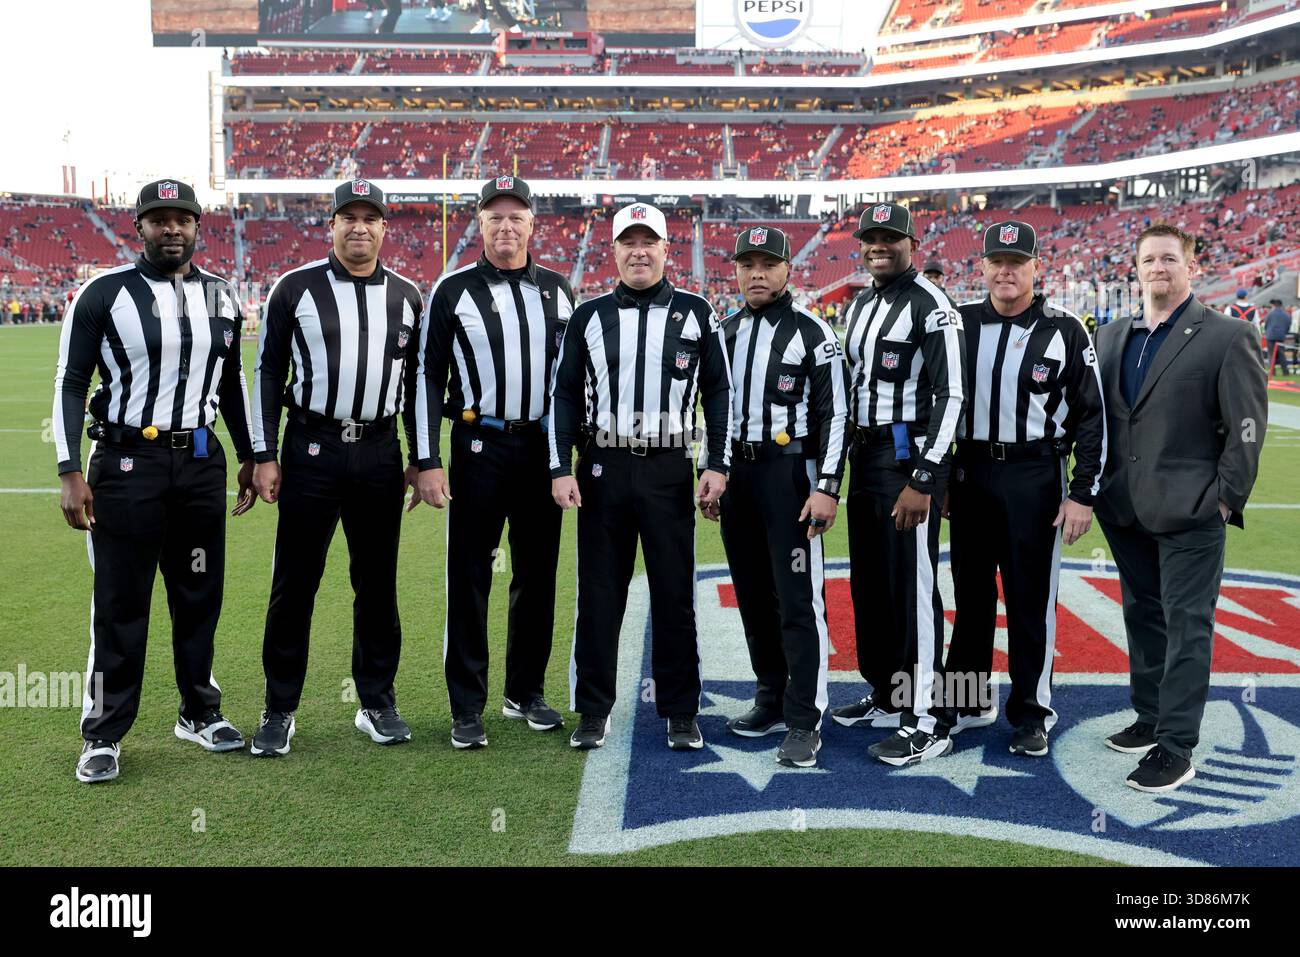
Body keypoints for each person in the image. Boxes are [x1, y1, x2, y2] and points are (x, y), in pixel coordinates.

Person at [54, 178, 257, 783]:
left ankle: (199, 711)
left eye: (183, 219)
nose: (172, 229)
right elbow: (70, 382)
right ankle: (105, 731)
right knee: (121, 601)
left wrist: (252, 454)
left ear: (198, 226)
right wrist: (69, 470)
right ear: (138, 227)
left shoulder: (223, 297)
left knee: (198, 594)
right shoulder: (104, 293)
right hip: (124, 466)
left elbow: (231, 385)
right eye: (159, 219)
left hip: (198, 465)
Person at [249, 179, 424, 756]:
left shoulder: (407, 295)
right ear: (330, 225)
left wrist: (423, 458)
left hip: (378, 451)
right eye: (347, 216)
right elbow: (269, 373)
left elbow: (419, 384)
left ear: (384, 228)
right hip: (312, 448)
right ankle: (280, 707)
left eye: (369, 218)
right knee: (295, 583)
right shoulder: (295, 287)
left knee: (376, 584)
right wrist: (264, 453)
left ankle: (377, 701)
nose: (359, 227)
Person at [548, 202, 732, 752]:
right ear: (613, 252)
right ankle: (594, 708)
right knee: (600, 594)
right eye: (627, 242)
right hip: (604, 464)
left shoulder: (698, 312)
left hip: (669, 466)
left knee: (674, 593)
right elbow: (562, 395)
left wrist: (716, 462)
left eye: (647, 241)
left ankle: (680, 711)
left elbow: (719, 393)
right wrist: (560, 466)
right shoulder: (589, 316)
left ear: (665, 248)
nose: (638, 251)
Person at [1094, 223, 1267, 793]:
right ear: (1137, 268)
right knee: (1142, 619)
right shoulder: (1113, 335)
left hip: (1192, 510)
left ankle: (1176, 747)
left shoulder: (1226, 334)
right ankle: (1149, 718)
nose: (1159, 267)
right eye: (1149, 259)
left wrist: (1224, 499)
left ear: (1191, 265)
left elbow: (1246, 427)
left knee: (1187, 627)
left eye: (1170, 257)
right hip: (1124, 507)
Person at [414, 175, 575, 749]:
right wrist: (427, 458)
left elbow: (571, 381)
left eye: (516, 217)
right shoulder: (452, 290)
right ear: (479, 225)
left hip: (540, 451)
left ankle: (525, 690)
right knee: (471, 575)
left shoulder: (559, 290)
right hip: (478, 445)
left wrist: (565, 459)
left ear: (533, 224)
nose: (506, 227)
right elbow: (428, 375)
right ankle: (466, 704)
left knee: (536, 574)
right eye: (494, 217)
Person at [943, 221, 1106, 758]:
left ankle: (1032, 712)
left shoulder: (1065, 329)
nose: (1006, 270)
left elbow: (1092, 417)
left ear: (1038, 265)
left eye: (1018, 260)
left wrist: (1082, 493)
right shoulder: (960, 324)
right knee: (968, 597)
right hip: (970, 476)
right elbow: (938, 408)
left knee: (1030, 600)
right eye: (997, 260)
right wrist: (939, 477)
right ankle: (964, 700)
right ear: (983, 265)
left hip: (1035, 476)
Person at [830, 201, 967, 766]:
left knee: (913, 587)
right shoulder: (863, 302)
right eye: (870, 239)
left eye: (890, 238)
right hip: (866, 454)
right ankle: (888, 692)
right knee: (871, 581)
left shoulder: (931, 304)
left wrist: (926, 477)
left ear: (912, 242)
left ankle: (927, 716)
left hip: (905, 458)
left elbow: (951, 395)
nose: (878, 247)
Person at [708, 225, 848, 768]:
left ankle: (804, 717)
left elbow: (836, 414)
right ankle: (769, 695)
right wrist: (712, 470)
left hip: (789, 477)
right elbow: (714, 412)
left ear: (789, 269)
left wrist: (827, 487)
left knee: (797, 600)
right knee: (751, 595)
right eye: (747, 264)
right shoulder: (725, 333)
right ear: (736, 271)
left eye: (768, 264)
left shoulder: (813, 332)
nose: (757, 274)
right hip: (739, 478)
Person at [1263, 298, 1292, 375]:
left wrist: (1267, 332)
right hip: (1281, 336)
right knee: (1282, 354)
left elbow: (1266, 324)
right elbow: (1288, 325)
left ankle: (1272, 372)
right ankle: (1285, 372)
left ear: (1274, 305)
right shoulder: (1286, 314)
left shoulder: (1270, 314)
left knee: (1271, 355)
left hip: (1271, 336)